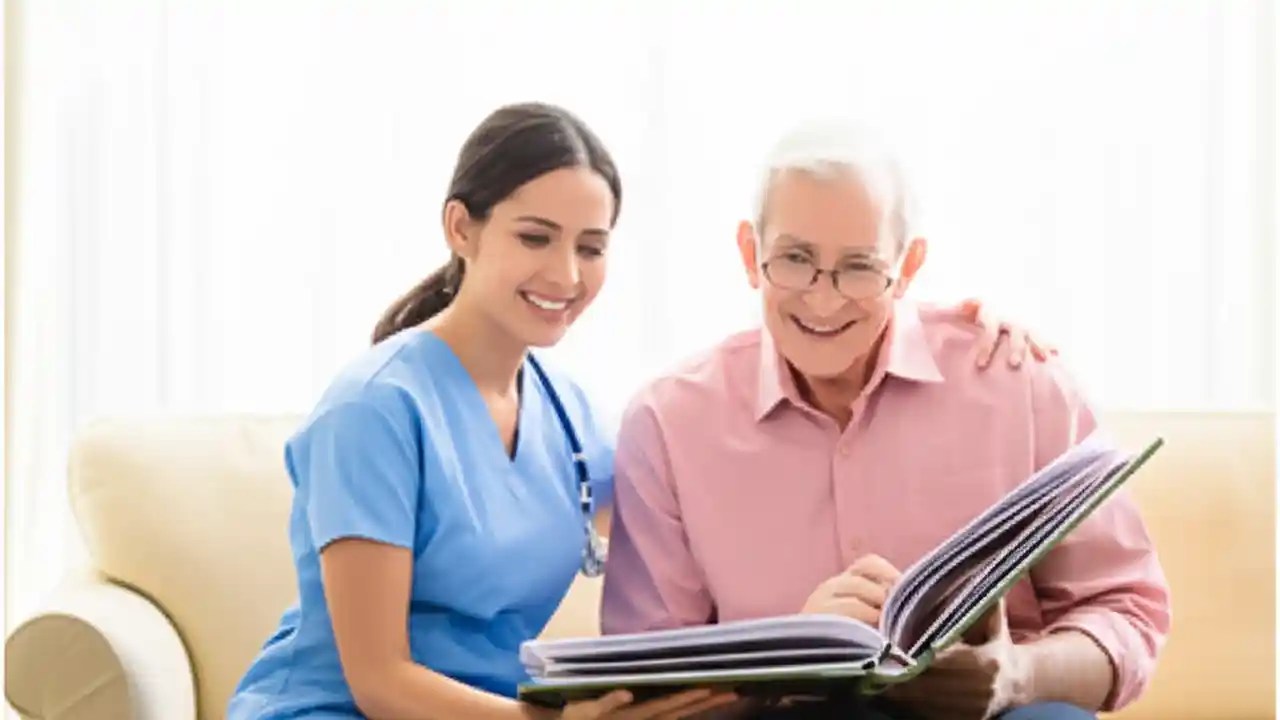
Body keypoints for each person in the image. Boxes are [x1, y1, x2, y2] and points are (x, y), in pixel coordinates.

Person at [227, 103, 1054, 720]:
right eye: (535, 236)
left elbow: (700, 520)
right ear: (461, 229)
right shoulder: (374, 411)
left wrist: (948, 326)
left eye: (592, 246)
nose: (567, 272)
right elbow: (377, 679)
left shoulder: (578, 417)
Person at [599, 121, 1172, 720]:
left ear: (908, 265)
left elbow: (1127, 612)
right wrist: (790, 657)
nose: (823, 300)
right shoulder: (669, 423)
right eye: (795, 259)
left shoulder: (1018, 380)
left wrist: (1017, 677)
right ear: (750, 254)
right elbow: (645, 688)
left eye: (859, 267)